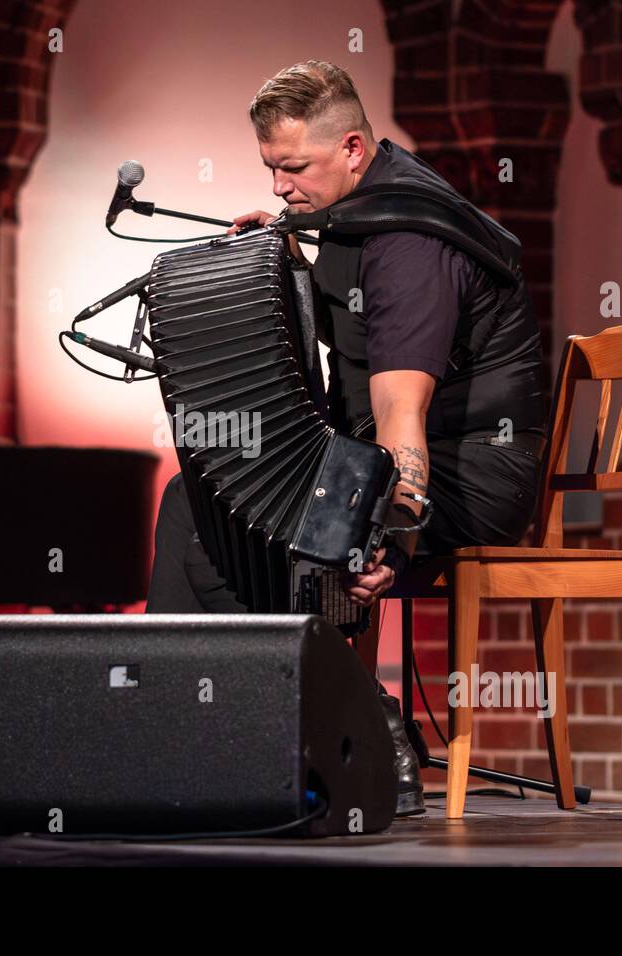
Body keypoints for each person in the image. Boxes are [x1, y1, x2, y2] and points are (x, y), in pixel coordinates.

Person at [146, 61, 549, 816]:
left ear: (355, 149)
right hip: (382, 460)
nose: (278, 186)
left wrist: (389, 538)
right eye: (271, 168)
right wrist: (288, 256)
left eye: (294, 167)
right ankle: (254, 731)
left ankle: (306, 725)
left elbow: (401, 415)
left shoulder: (407, 247)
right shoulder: (356, 214)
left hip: (468, 475)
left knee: (214, 524)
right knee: (198, 496)